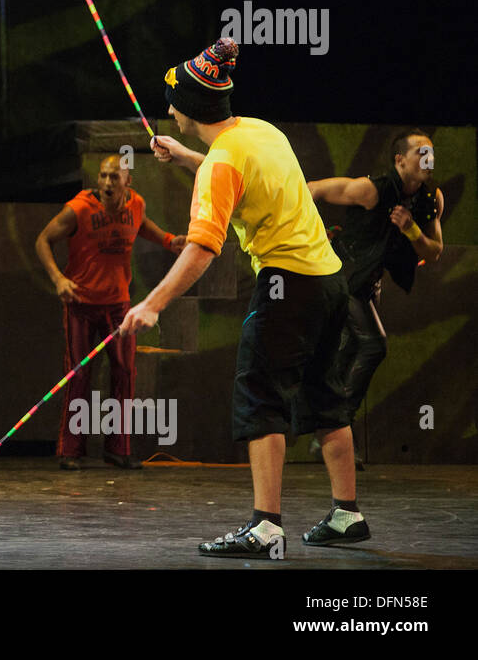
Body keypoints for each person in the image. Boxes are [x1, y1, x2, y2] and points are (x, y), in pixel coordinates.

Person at [119, 38, 363, 558]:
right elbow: (238, 169)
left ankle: (266, 527)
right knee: (327, 397)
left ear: (189, 107)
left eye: (172, 102)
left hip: (287, 287)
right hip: (330, 281)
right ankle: (347, 514)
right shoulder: (258, 131)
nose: (167, 110)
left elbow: (203, 249)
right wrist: (188, 156)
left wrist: (153, 304)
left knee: (260, 397)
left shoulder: (220, 165)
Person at [36, 155, 186, 470]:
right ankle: (70, 451)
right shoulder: (79, 209)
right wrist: (59, 279)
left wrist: (170, 241)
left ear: (127, 181)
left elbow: (140, 224)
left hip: (118, 306)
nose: (106, 183)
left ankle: (118, 448)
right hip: (81, 303)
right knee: (79, 374)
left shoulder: (136, 204)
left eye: (113, 177)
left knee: (124, 373)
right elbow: (43, 241)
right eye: (103, 176)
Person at [307, 130, 444, 464]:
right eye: (420, 152)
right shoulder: (371, 190)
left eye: (431, 153)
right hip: (343, 276)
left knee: (351, 349)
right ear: (400, 160)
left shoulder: (430, 199)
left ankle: (325, 431)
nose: (429, 159)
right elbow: (312, 190)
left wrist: (411, 229)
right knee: (373, 345)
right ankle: (337, 423)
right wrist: (311, 231)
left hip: (369, 281)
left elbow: (435, 250)